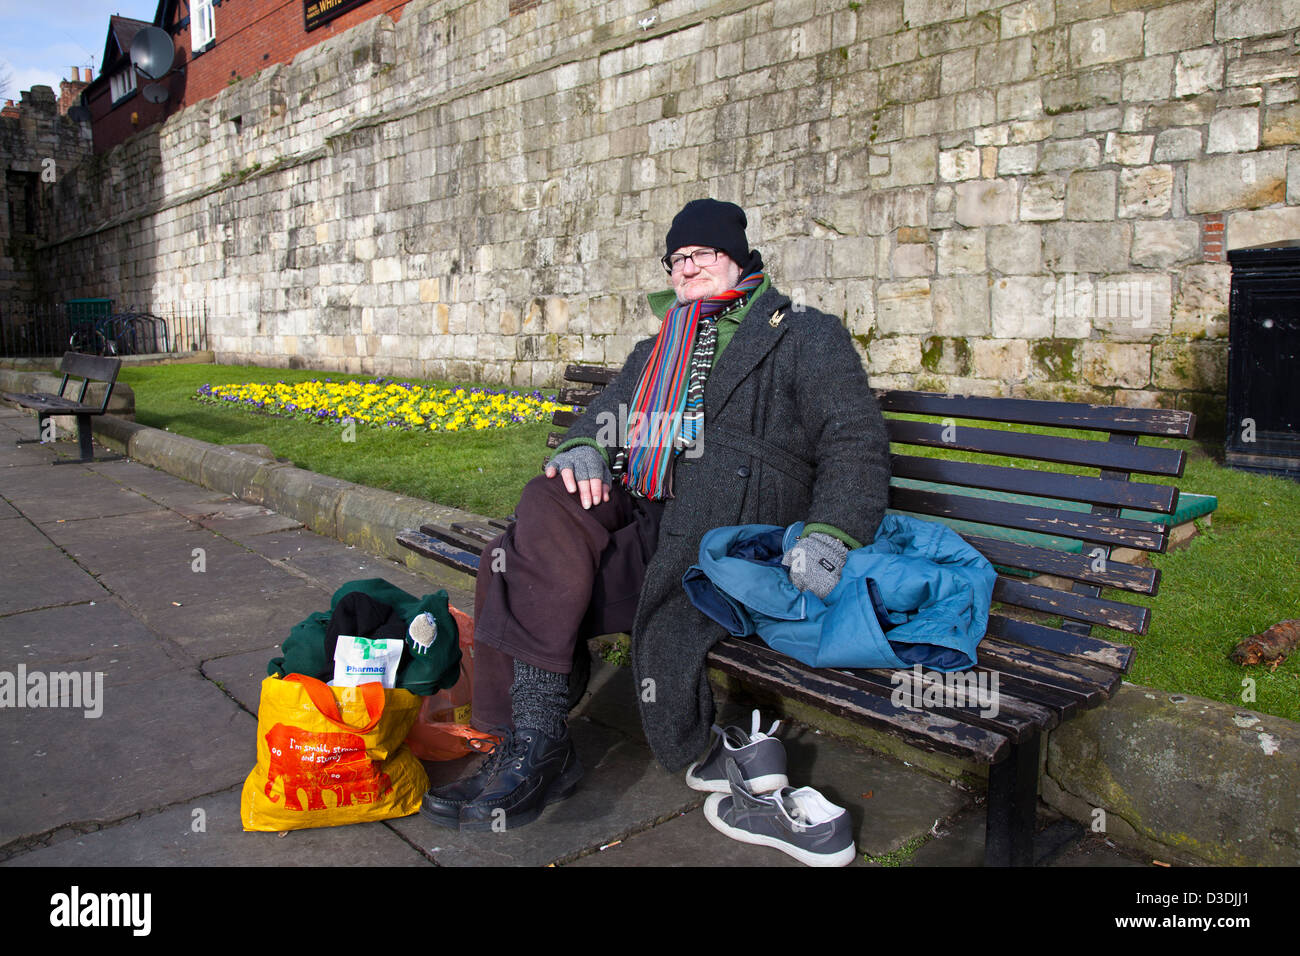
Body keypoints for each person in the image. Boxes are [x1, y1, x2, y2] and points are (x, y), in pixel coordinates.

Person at [422, 198, 891, 830]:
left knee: (514, 569)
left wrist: (831, 533)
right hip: (653, 521)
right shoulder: (659, 344)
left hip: (728, 535)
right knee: (541, 509)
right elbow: (605, 414)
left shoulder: (804, 332)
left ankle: (533, 752)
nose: (686, 268)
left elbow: (853, 441)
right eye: (676, 258)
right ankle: (533, 742)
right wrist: (586, 445)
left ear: (738, 257)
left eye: (701, 253)